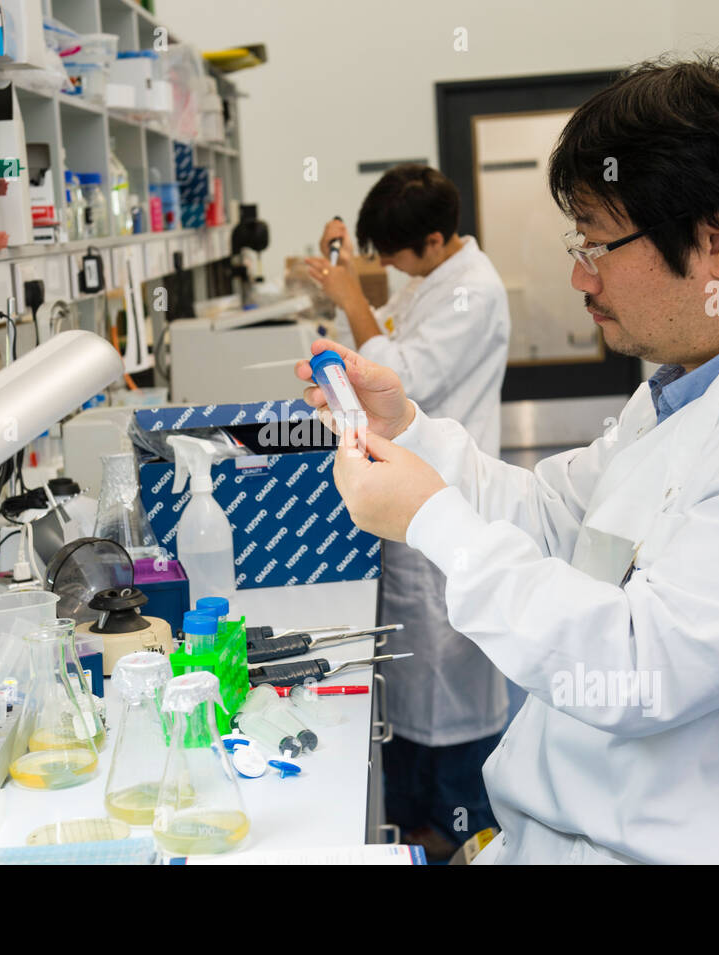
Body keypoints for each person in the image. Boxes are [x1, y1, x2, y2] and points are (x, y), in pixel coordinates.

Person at [297, 55, 719, 864]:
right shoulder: (688, 387)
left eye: (599, 244)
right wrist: (412, 429)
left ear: (716, 241)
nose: (579, 274)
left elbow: (639, 665)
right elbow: (552, 516)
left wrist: (429, 519)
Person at [303, 164, 510, 858]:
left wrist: (352, 294)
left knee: (453, 676)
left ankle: (469, 829)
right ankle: (424, 824)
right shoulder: (435, 278)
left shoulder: (473, 291)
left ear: (433, 237)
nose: (386, 265)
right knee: (421, 672)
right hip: (418, 486)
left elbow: (404, 373)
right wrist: (354, 283)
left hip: (451, 490)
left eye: (393, 253)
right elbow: (388, 337)